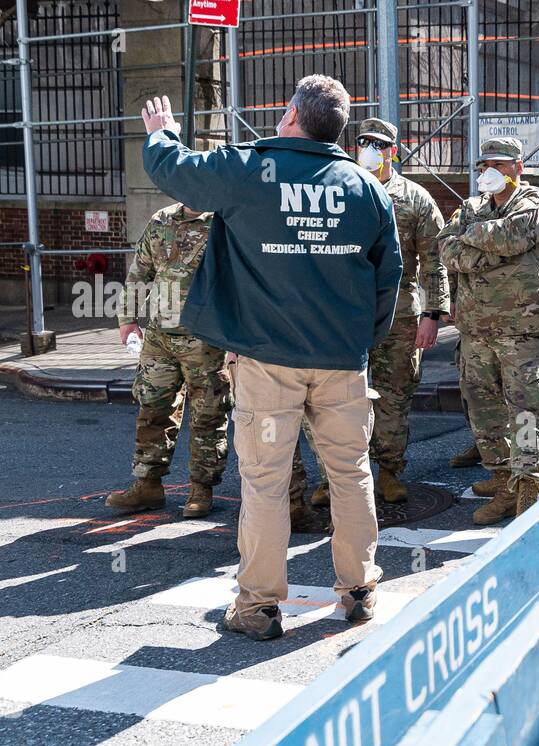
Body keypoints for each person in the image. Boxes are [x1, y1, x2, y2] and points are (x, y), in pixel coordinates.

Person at [140, 75, 403, 640]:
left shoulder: (249, 171)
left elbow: (174, 171)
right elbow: (389, 278)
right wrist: (363, 339)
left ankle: (258, 605)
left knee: (264, 481)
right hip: (342, 359)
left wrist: (162, 134)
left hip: (266, 359)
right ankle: (358, 590)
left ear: (289, 117)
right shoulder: (365, 186)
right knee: (351, 473)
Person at [288, 116, 449, 507]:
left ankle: (389, 472)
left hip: (399, 312)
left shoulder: (415, 198)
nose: (370, 150)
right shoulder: (339, 191)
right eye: (364, 142)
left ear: (393, 150)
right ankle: (333, 477)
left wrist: (433, 315)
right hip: (345, 313)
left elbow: (435, 261)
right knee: (336, 398)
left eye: (378, 144)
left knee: (394, 395)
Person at [437, 136, 539, 525]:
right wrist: (486, 244)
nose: (489, 172)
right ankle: (504, 479)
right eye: (483, 167)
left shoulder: (536, 202)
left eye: (499, 165)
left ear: (518, 168)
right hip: (475, 330)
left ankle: (528, 487)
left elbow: (512, 236)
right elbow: (445, 249)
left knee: (525, 410)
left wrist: (472, 237)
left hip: (521, 329)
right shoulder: (472, 206)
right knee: (484, 410)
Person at [106, 203, 229, 518]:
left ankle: (201, 488)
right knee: (153, 409)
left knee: (208, 415)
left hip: (206, 337)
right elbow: (140, 272)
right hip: (160, 336)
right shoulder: (161, 219)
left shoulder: (225, 221)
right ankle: (148, 485)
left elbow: (239, 280)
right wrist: (127, 320)